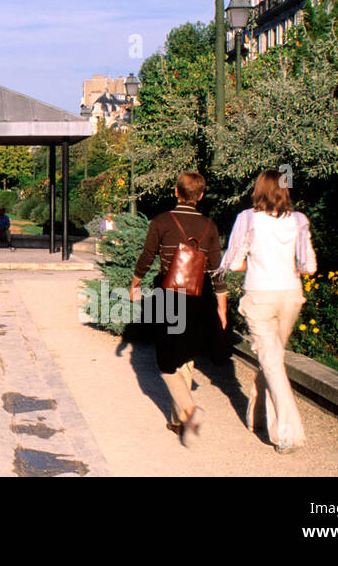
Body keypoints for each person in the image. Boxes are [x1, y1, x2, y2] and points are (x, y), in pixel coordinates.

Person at [220, 170, 317, 454]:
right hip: (290, 295)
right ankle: (257, 416)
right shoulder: (299, 220)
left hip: (261, 294)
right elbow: (308, 266)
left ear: (259, 190)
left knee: (271, 361)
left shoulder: (247, 218)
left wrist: (259, 261)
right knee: (272, 358)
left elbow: (234, 263)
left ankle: (287, 433)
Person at [130, 171, 225, 446]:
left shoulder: (162, 221)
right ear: (201, 195)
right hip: (200, 295)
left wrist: (135, 283)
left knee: (166, 361)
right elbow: (217, 270)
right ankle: (177, 420)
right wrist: (221, 306)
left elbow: (148, 255)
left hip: (170, 294)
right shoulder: (210, 226)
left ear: (176, 192)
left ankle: (190, 410)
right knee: (184, 354)